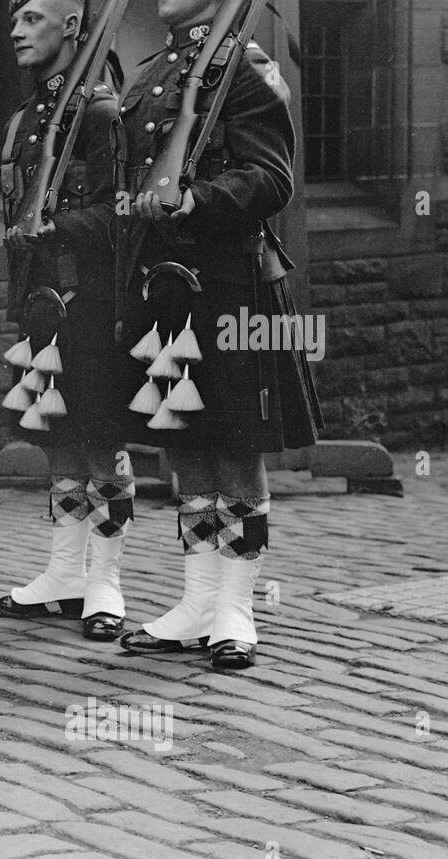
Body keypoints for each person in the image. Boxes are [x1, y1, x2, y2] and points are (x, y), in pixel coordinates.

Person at [117, 0, 321, 669]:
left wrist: (196, 198)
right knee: (186, 443)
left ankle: (236, 608)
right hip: (169, 285)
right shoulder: (151, 75)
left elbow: (272, 179)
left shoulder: (243, 67)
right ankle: (198, 600)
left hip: (231, 282)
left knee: (236, 442)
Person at [0, 0, 138, 642]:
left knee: (101, 438)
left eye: (33, 18)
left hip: (91, 297)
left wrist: (55, 225)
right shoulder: (27, 119)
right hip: (41, 298)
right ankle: (64, 574)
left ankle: (105, 580)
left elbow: (122, 213)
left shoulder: (101, 111)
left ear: (72, 26)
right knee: (58, 438)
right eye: (15, 20)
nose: (18, 30)